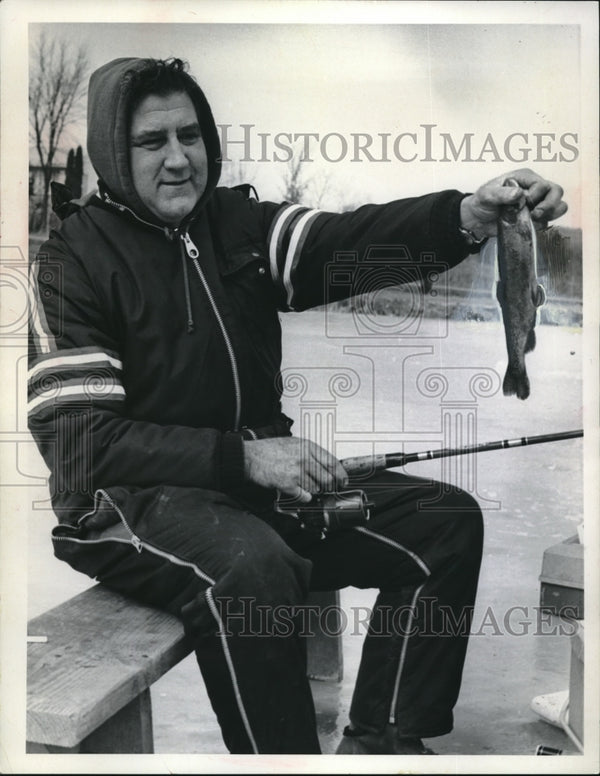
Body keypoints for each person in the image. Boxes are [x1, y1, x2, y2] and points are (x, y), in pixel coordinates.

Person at [28, 57, 567, 755]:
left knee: (445, 526)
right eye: (151, 142)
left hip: (251, 488)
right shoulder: (75, 258)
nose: (178, 159)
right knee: (255, 569)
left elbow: (349, 245)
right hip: (127, 503)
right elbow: (81, 442)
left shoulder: (236, 223)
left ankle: (383, 743)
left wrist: (468, 215)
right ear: (110, 153)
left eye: (190, 136)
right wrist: (244, 456)